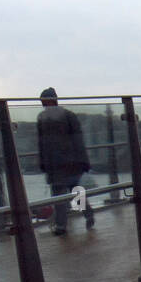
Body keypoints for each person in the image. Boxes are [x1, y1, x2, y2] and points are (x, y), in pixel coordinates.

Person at [36, 87, 94, 235]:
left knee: (59, 195)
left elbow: (42, 143)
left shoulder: (42, 118)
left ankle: (62, 226)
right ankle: (86, 216)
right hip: (71, 162)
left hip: (56, 164)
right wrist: (84, 161)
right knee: (74, 192)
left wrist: (43, 162)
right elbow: (78, 140)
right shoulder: (69, 116)